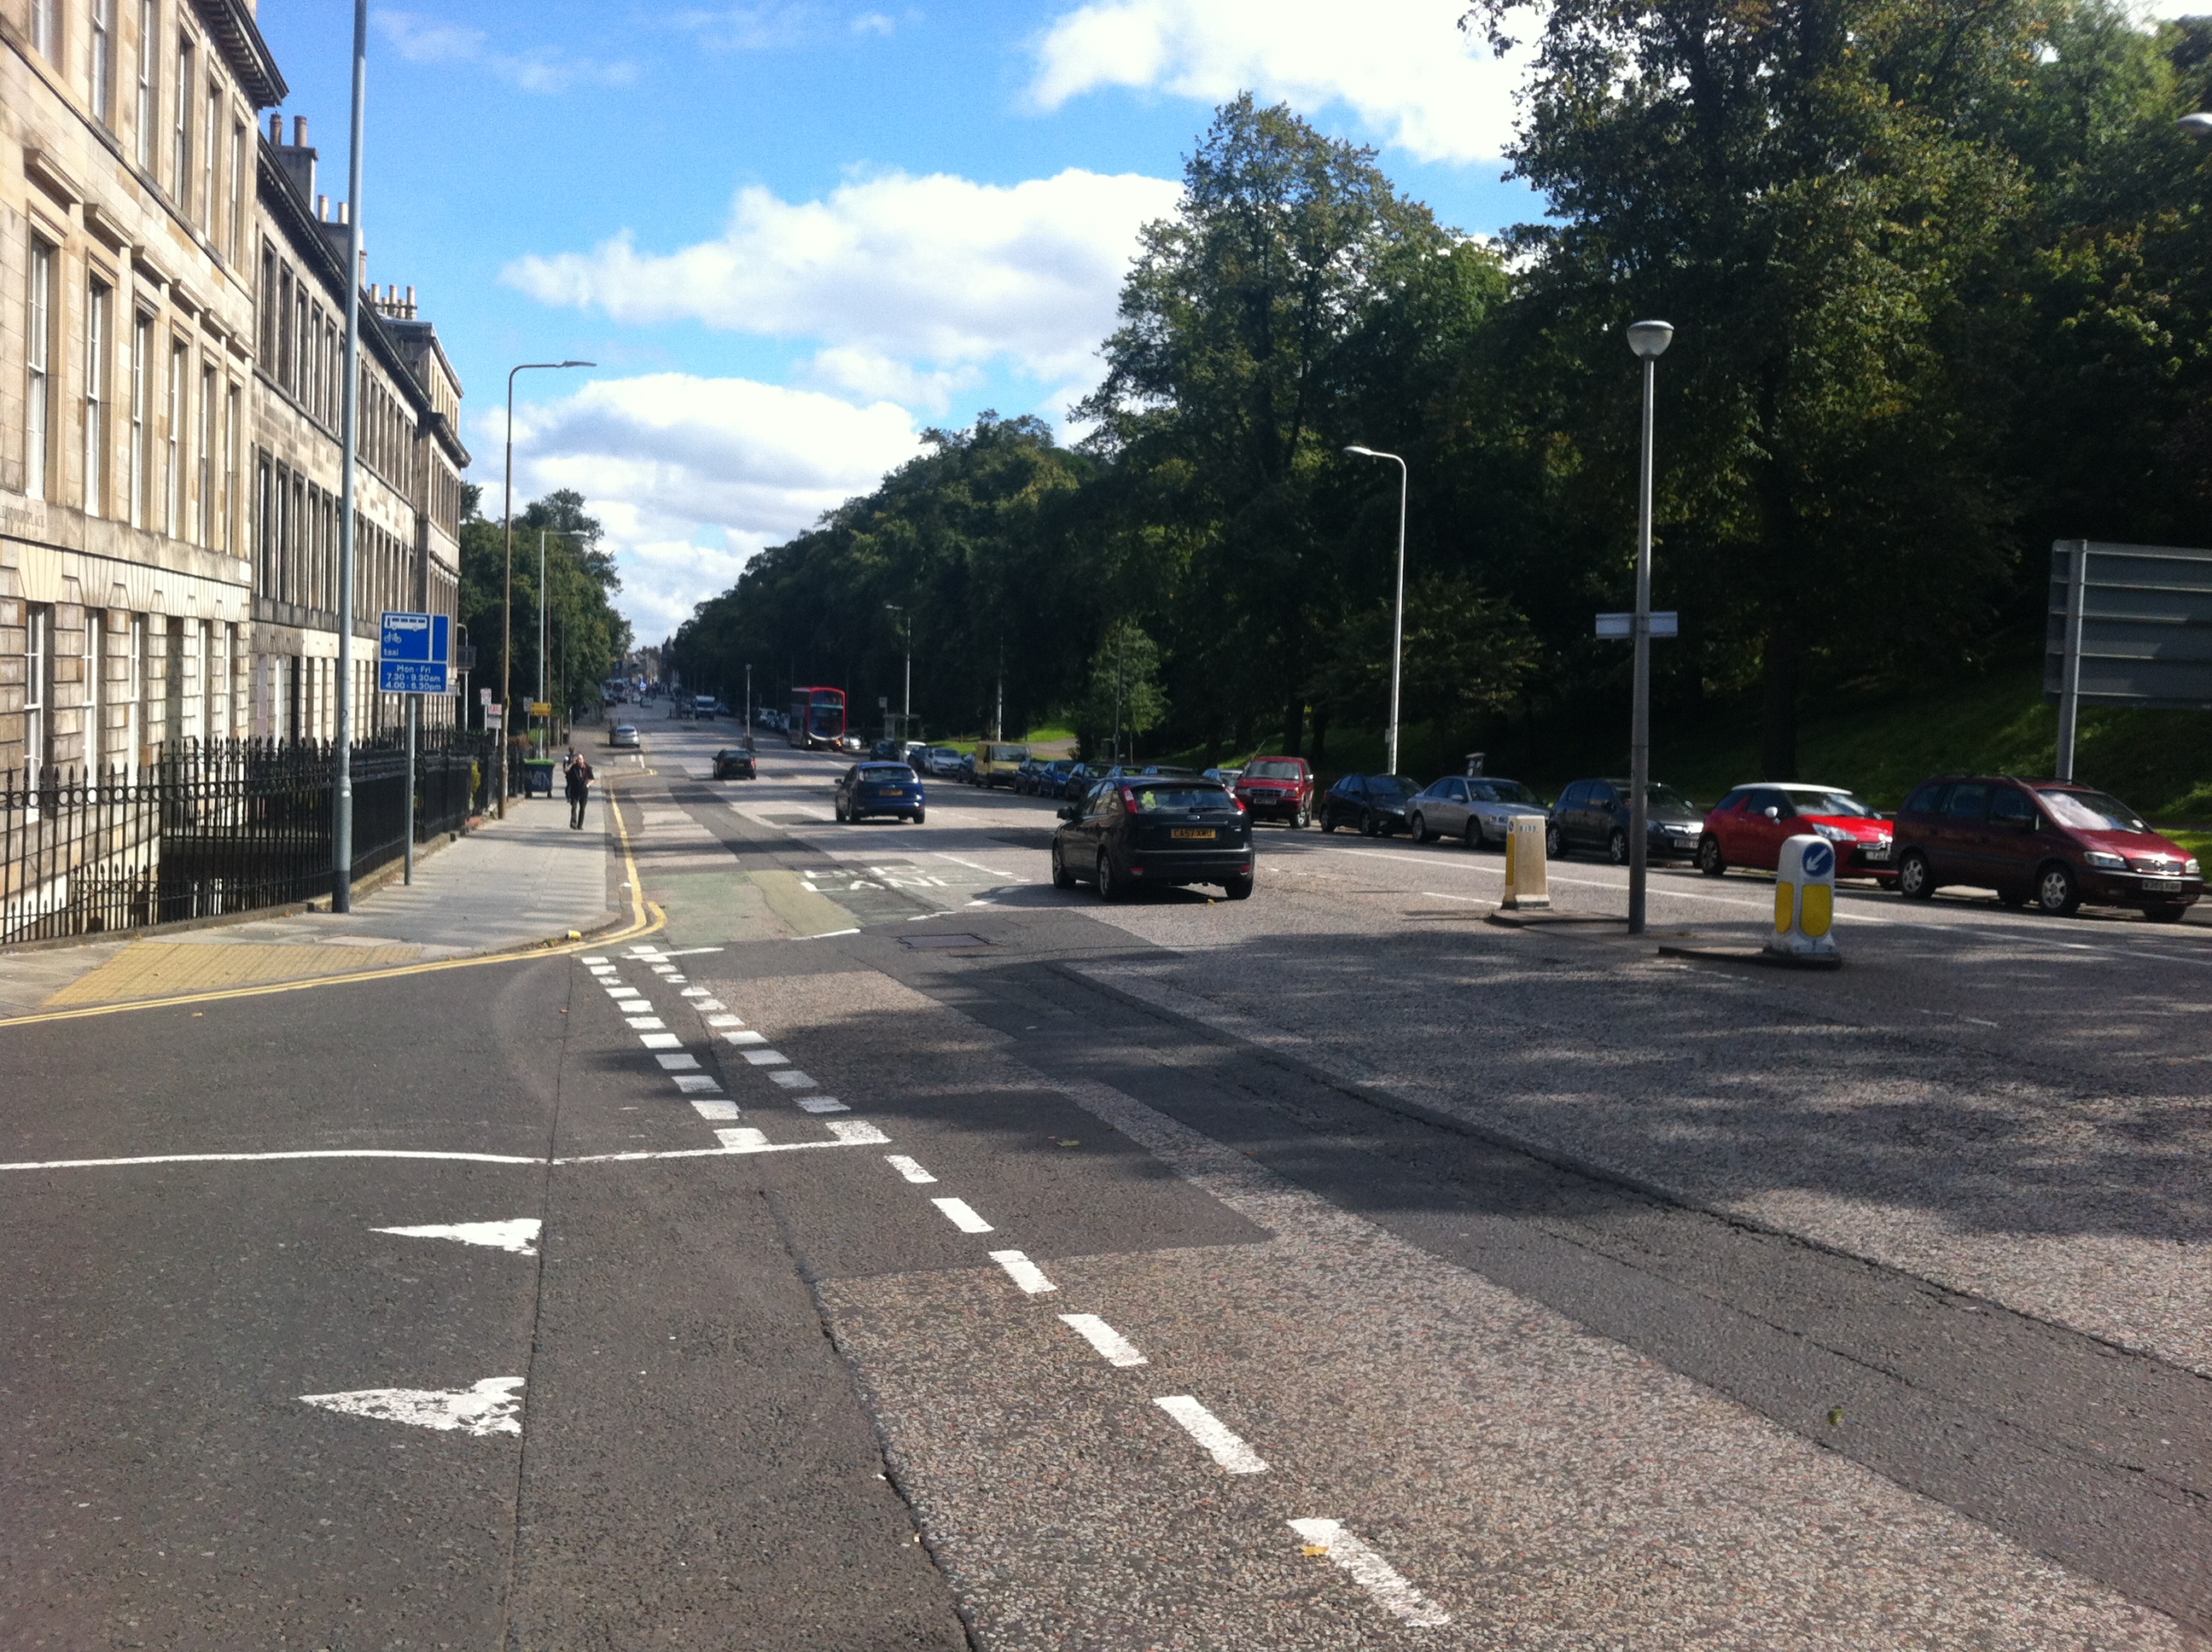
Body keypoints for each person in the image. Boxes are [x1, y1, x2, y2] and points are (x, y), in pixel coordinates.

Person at [563, 748, 594, 829]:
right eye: (578, 759)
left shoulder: (587, 768)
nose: (579, 761)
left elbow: (592, 779)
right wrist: (572, 763)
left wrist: (588, 785)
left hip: (584, 791)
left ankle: (580, 825)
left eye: (580, 759)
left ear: (583, 760)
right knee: (574, 807)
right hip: (575, 790)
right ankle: (573, 824)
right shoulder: (574, 767)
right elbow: (565, 771)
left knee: (582, 808)